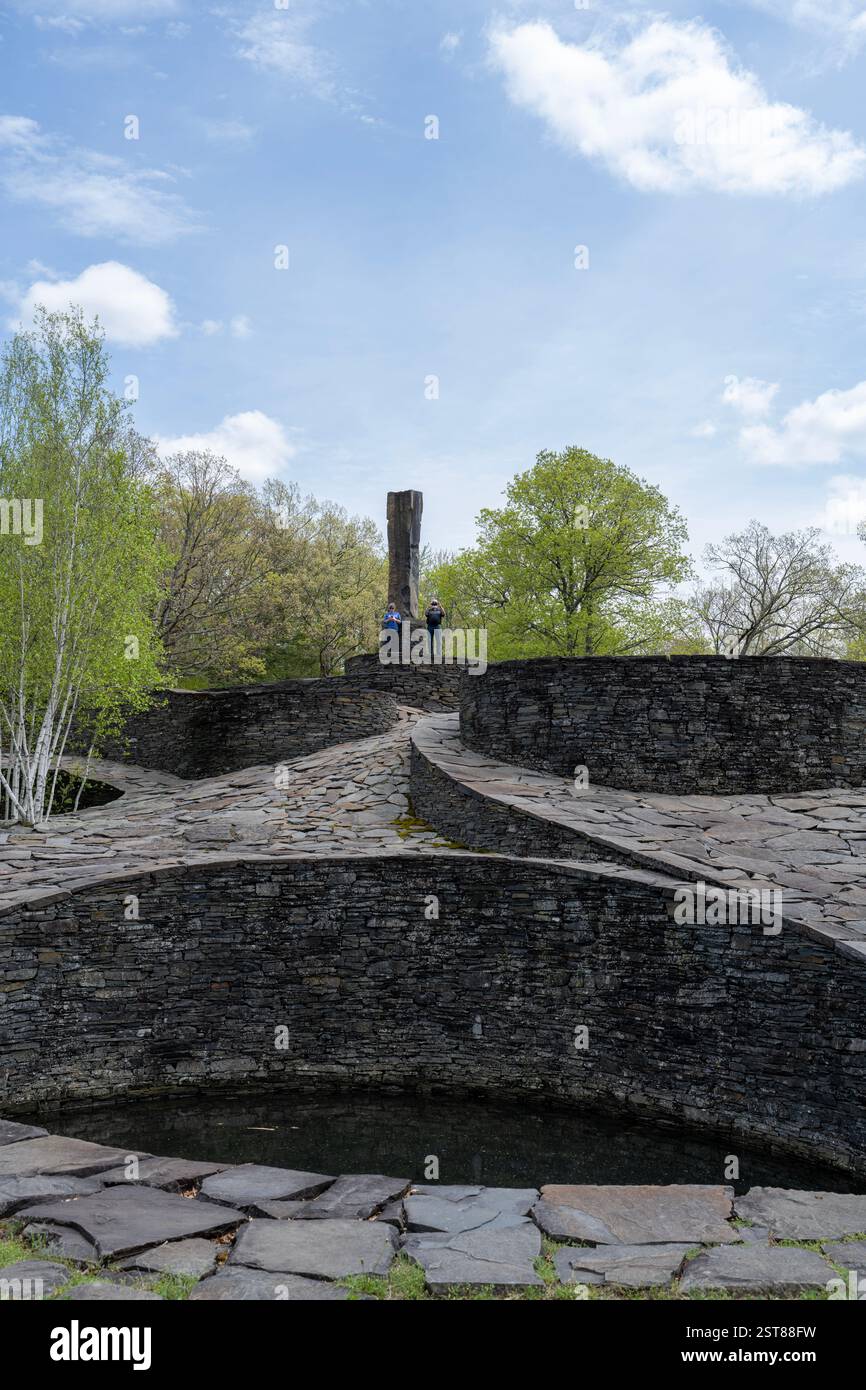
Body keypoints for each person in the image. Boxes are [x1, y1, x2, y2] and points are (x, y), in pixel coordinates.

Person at [425, 596, 445, 662]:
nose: (434, 605)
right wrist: (429, 606)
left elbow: (444, 614)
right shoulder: (429, 610)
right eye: (433, 604)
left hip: (437, 626)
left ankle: (439, 654)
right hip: (430, 626)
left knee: (438, 641)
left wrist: (440, 606)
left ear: (437, 604)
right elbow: (426, 614)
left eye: (435, 604)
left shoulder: (439, 610)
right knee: (429, 640)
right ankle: (430, 653)